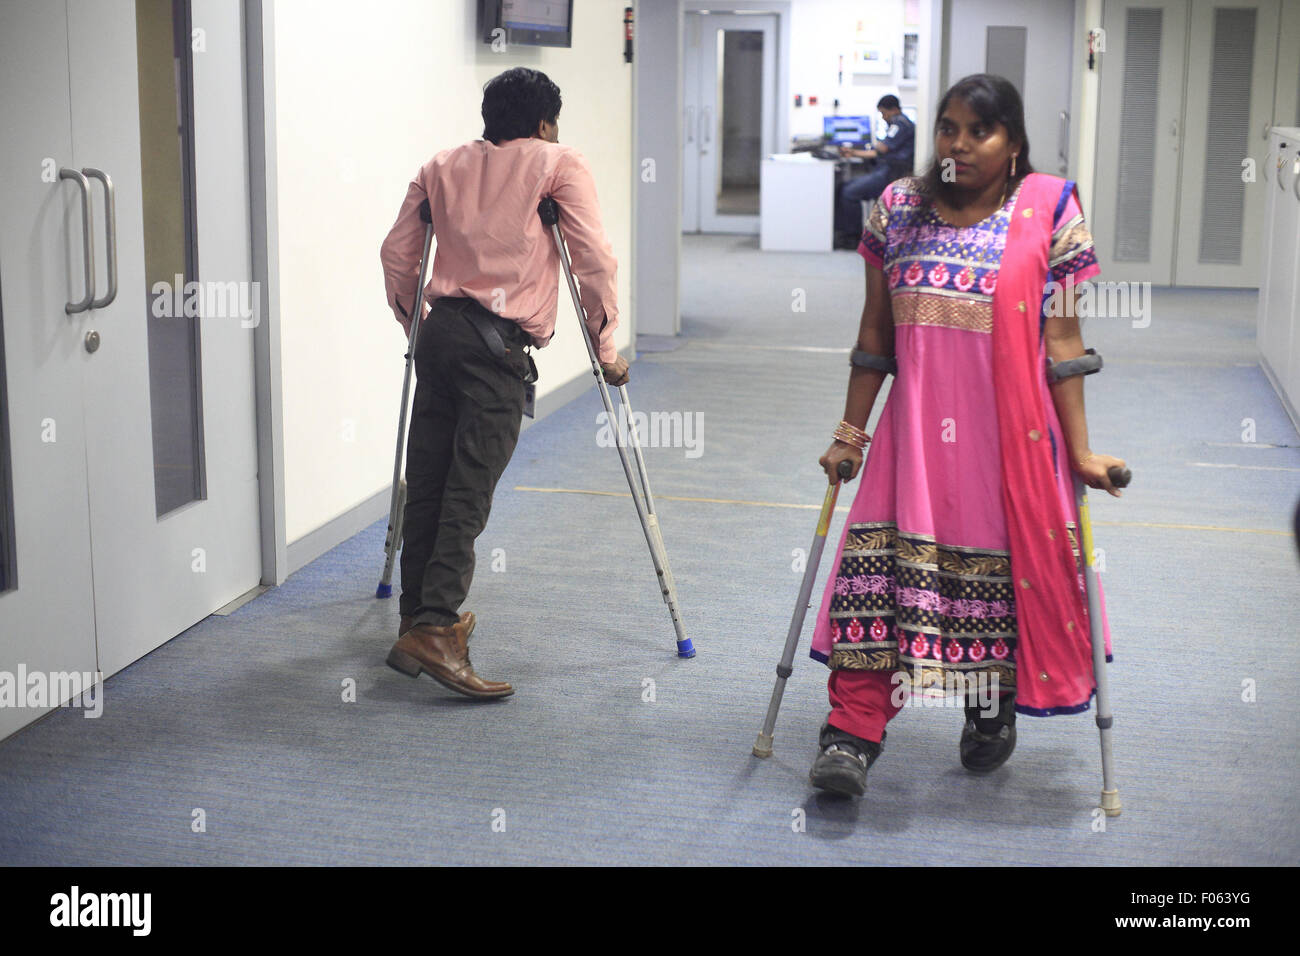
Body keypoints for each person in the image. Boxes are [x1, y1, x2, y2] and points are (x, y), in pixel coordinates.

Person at [806, 73, 1127, 796]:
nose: (958, 144)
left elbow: (1065, 340)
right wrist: (850, 433)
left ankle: (989, 708)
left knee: (998, 580)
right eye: (948, 128)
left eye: (978, 131)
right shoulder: (897, 210)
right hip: (911, 434)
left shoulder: (1053, 213)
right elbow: (874, 332)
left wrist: (1078, 452)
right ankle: (850, 736)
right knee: (878, 576)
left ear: (1013, 144)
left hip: (1008, 444)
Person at [379, 67, 628, 700]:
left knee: (430, 479)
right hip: (497, 348)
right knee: (469, 488)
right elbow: (592, 258)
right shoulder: (556, 161)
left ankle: (415, 618)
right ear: (545, 124)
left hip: (439, 335)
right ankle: (437, 629)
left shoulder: (441, 165)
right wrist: (605, 347)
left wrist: (417, 321)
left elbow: (397, 253)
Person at [833, 94, 915, 249]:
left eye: (884, 113)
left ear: (894, 110)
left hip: (891, 174)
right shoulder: (899, 124)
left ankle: (852, 237)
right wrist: (856, 152)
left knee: (849, 192)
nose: (883, 118)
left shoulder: (900, 124)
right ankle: (843, 233)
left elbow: (882, 148)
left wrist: (854, 152)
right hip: (886, 170)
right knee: (844, 187)